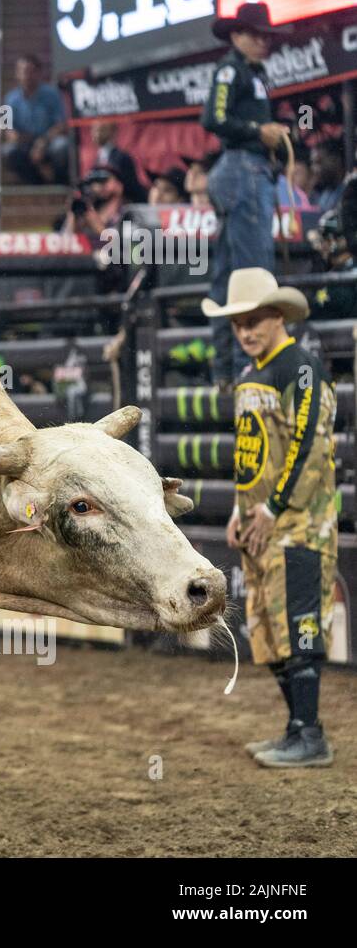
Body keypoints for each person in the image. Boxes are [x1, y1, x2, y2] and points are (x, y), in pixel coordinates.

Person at [202, 268, 336, 768]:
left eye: (254, 321)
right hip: (263, 524)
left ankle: (310, 734)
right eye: (238, 324)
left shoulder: (300, 368)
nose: (245, 331)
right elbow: (252, 454)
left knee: (297, 623)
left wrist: (273, 506)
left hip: (300, 523)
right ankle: (300, 730)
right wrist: (241, 510)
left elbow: (308, 444)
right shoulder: (251, 376)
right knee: (270, 628)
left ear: (278, 316)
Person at [200, 2, 293, 388]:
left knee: (228, 273)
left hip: (241, 171)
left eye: (265, 36)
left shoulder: (253, 73)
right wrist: (259, 131)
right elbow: (213, 118)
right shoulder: (231, 70)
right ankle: (250, 367)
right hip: (243, 170)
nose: (263, 42)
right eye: (255, 35)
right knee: (254, 269)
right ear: (236, 35)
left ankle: (228, 368)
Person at [0, 54, 69, 185]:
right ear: (17, 74)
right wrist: (16, 137)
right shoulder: (8, 98)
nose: (27, 76)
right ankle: (35, 183)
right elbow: (6, 128)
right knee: (7, 151)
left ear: (39, 73)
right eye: (23, 71)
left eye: (31, 71)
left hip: (48, 141)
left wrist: (42, 142)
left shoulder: (53, 94)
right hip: (24, 143)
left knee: (62, 146)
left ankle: (60, 184)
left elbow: (61, 124)